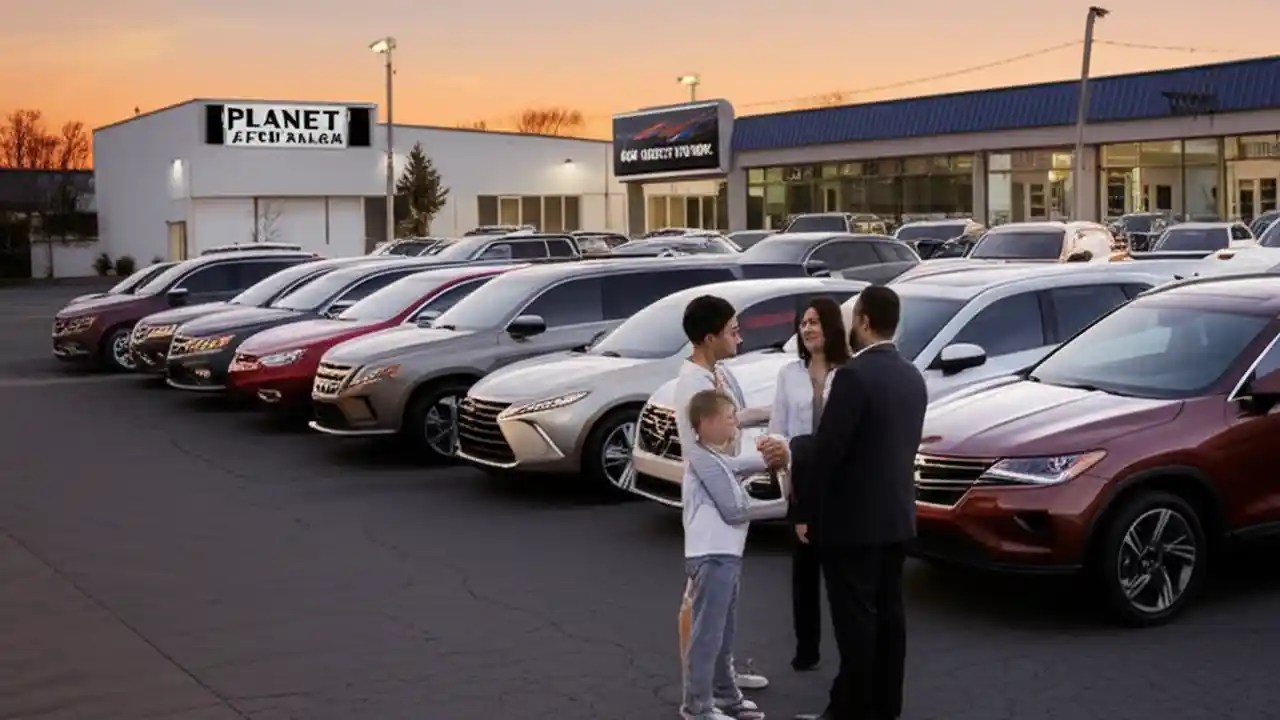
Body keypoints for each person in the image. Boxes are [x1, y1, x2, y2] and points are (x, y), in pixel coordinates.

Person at [792, 285, 928, 720]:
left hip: (851, 526)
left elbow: (830, 450)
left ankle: (848, 711)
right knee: (890, 622)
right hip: (896, 519)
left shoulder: (854, 377)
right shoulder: (912, 374)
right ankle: (886, 708)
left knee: (856, 629)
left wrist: (804, 509)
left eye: (854, 319)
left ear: (865, 322)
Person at [675, 295, 771, 692]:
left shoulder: (719, 374)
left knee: (724, 599)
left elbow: (734, 418)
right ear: (709, 336)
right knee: (702, 603)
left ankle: (720, 672)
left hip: (728, 493)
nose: (740, 337)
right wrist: (734, 503)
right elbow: (697, 452)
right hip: (711, 505)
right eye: (733, 331)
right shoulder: (693, 384)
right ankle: (700, 686)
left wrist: (775, 411)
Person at [679, 389, 790, 720]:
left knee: (723, 634)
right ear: (708, 423)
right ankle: (697, 707)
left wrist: (781, 453)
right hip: (711, 557)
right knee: (707, 635)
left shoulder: (715, 460)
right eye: (730, 419)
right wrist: (786, 507)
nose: (735, 426)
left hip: (726, 557)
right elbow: (735, 511)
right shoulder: (702, 462)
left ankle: (725, 696)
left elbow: (743, 464)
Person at [768, 297, 851, 673]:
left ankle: (851, 651)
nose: (808, 328)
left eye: (815, 321)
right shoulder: (789, 374)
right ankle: (807, 649)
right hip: (802, 482)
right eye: (803, 323)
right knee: (804, 574)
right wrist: (784, 466)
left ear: (832, 326)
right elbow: (779, 429)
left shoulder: (849, 373)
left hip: (840, 484)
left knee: (842, 574)